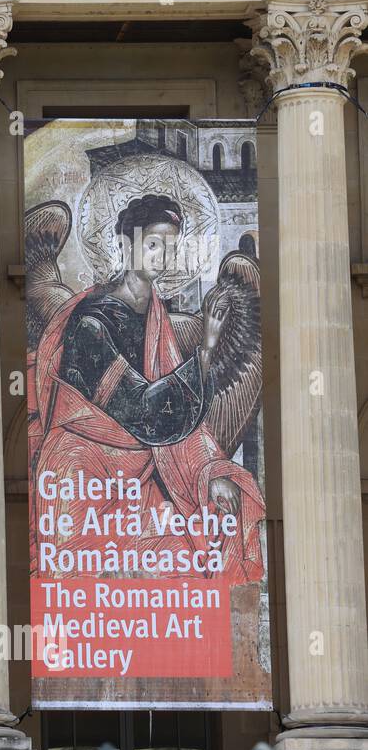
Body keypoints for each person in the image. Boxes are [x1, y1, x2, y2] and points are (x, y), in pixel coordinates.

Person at [31, 194, 264, 581]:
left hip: (141, 468)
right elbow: (146, 411)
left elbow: (183, 422)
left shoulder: (159, 319)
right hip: (85, 474)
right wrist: (206, 349)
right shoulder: (93, 321)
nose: (163, 257)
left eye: (170, 248)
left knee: (194, 550)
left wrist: (211, 470)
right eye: (153, 245)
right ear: (126, 245)